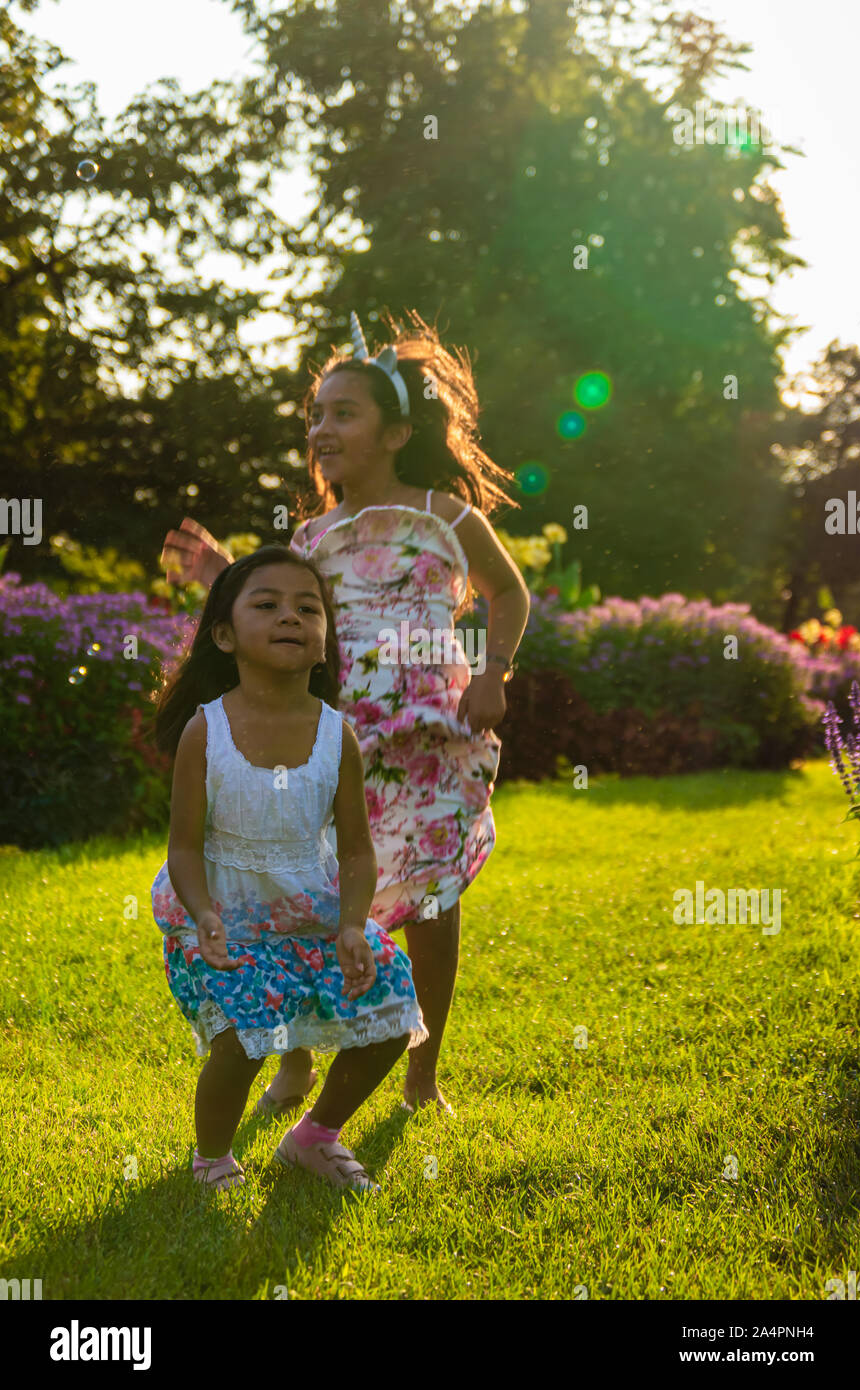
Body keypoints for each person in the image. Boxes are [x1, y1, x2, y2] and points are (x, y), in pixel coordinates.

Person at [160, 308, 530, 1118]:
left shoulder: (446, 515)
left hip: (431, 735)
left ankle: (421, 1070)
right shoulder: (313, 536)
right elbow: (287, 616)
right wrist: (227, 570)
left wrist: (495, 671)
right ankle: (295, 1060)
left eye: (343, 414)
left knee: (432, 899)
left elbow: (510, 592)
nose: (321, 431)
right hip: (335, 741)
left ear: (397, 432)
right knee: (315, 895)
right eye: (314, 417)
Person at [150, 544, 428, 1193]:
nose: (290, 617)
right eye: (267, 604)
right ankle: (212, 1158)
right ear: (224, 634)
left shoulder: (338, 735)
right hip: (221, 917)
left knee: (393, 1005)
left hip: (312, 908)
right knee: (244, 1038)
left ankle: (314, 1137)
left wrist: (354, 925)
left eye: (308, 608)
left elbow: (357, 850)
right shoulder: (206, 731)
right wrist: (205, 914)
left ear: (325, 642)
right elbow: (185, 847)